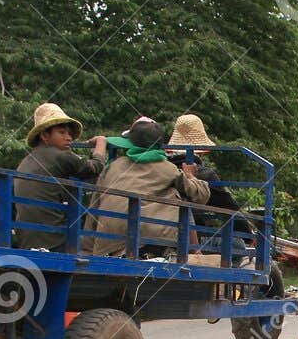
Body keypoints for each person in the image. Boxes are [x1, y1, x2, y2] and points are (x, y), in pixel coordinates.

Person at [87, 117, 210, 258]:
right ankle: (193, 250)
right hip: (150, 238)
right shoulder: (168, 168)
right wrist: (190, 175)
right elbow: (201, 195)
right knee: (177, 194)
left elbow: (94, 207)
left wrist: (86, 251)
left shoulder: (113, 166)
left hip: (107, 242)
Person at [14, 103, 107, 250]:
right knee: (90, 245)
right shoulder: (59, 155)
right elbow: (94, 168)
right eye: (62, 132)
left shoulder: (27, 160)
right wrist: (102, 142)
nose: (68, 138)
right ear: (45, 135)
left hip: (27, 240)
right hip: (54, 240)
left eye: (69, 134)